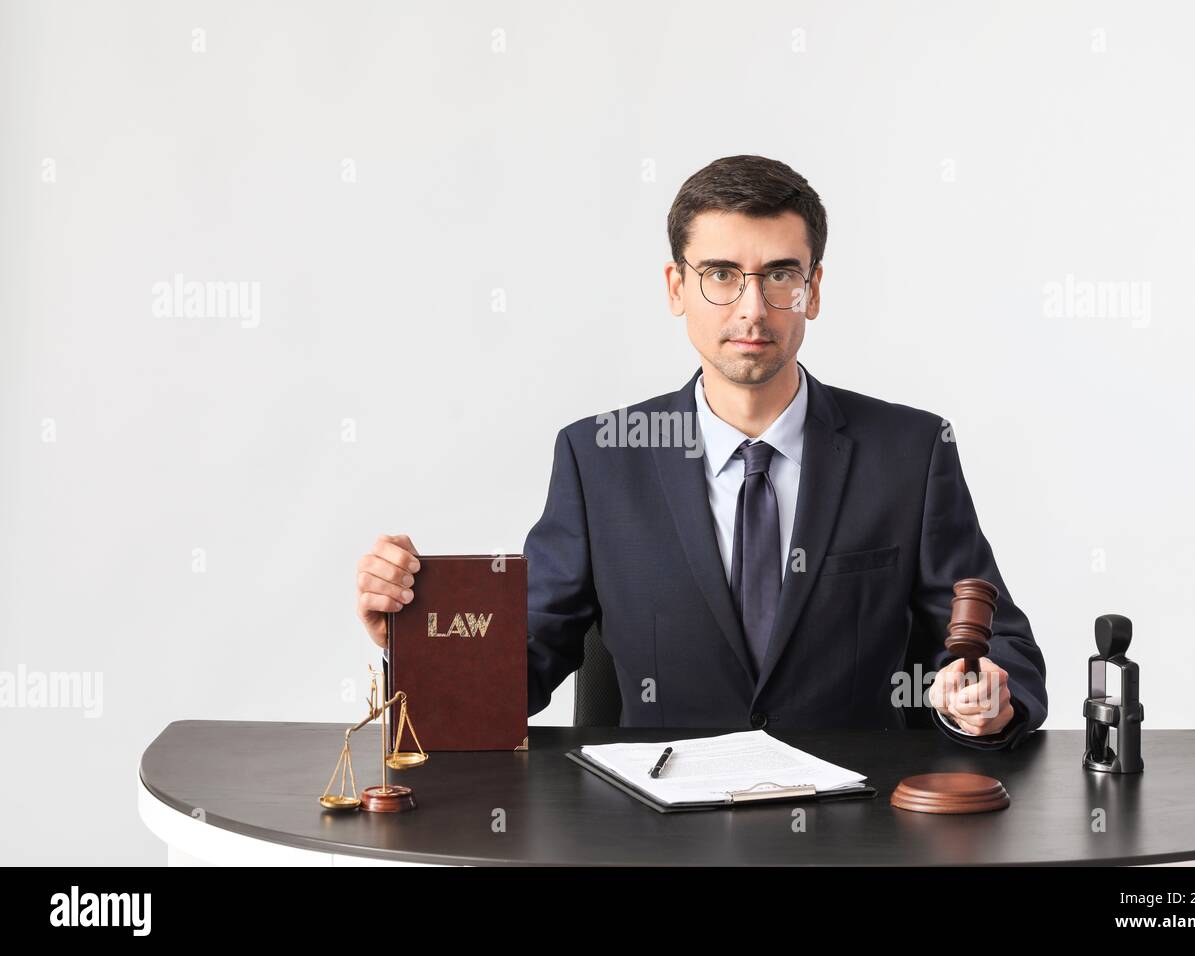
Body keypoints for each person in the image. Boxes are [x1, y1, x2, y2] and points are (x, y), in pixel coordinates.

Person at [355, 155, 1047, 749]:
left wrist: (985, 698)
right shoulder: (598, 460)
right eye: (720, 273)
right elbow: (520, 670)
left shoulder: (910, 452)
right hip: (659, 836)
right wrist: (411, 640)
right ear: (676, 288)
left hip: (859, 832)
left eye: (780, 275)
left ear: (814, 291)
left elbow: (1006, 653)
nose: (751, 308)